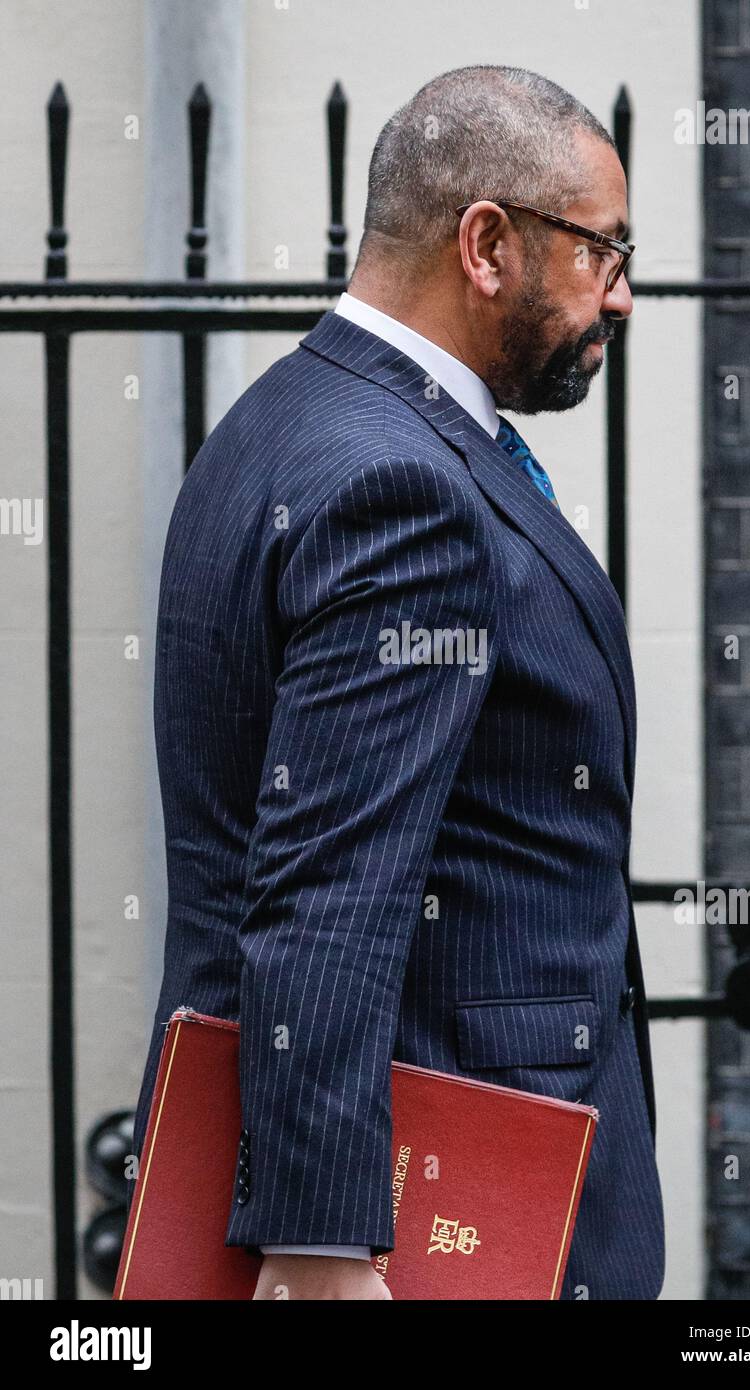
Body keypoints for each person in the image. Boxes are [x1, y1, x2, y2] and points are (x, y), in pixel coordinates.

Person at [129, 63, 664, 1301]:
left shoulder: (273, 423)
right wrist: (320, 1248)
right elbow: (327, 887)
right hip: (440, 1210)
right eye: (602, 251)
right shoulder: (402, 487)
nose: (621, 295)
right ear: (487, 244)